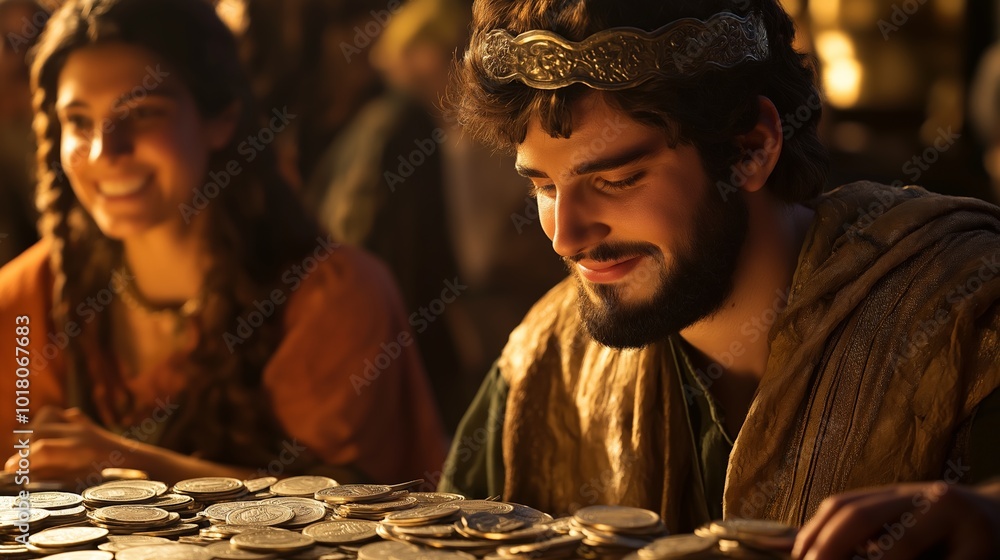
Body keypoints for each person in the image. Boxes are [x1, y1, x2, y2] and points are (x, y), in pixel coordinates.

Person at [438, 0, 1000, 557]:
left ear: (752, 148)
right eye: (544, 187)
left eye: (618, 178)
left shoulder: (965, 313)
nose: (566, 237)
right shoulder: (547, 359)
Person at [0, 0, 446, 487]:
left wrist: (124, 465)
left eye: (142, 112)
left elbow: (360, 507)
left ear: (221, 119)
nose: (107, 151)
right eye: (79, 122)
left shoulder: (332, 296)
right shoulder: (29, 298)